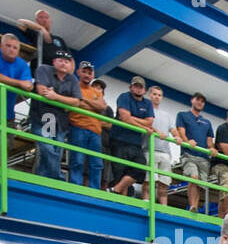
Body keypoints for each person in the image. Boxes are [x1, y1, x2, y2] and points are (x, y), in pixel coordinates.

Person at [30, 49, 81, 181]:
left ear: (70, 64)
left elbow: (76, 102)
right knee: (48, 148)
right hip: (44, 116)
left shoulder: (73, 79)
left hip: (61, 121)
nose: (63, 64)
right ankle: (58, 177)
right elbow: (42, 91)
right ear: (54, 62)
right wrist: (65, 100)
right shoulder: (44, 69)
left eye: (67, 61)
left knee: (56, 151)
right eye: (60, 60)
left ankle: (43, 180)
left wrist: (55, 96)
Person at [107, 76, 154, 196]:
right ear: (131, 87)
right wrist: (143, 126)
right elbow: (124, 118)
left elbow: (149, 121)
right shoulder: (124, 97)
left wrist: (131, 118)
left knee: (140, 169)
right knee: (119, 172)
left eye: (141, 87)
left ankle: (115, 190)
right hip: (119, 140)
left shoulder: (147, 103)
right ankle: (121, 202)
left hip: (135, 143)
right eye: (136, 86)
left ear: (145, 90)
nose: (138, 89)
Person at [67, 60, 108, 189]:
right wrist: (92, 104)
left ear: (93, 75)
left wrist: (83, 100)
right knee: (77, 159)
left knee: (97, 163)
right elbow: (74, 103)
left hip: (95, 131)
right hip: (77, 127)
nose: (87, 75)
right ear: (78, 72)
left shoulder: (97, 92)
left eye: (89, 73)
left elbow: (102, 107)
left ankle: (94, 189)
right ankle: (76, 187)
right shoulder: (73, 87)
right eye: (84, 72)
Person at [173, 92, 215, 213]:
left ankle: (196, 206)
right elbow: (181, 132)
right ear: (192, 100)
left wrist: (211, 149)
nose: (200, 103)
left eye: (202, 101)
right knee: (193, 177)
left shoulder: (207, 122)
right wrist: (188, 142)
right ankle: (193, 206)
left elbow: (209, 142)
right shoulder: (182, 115)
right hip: (189, 154)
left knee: (201, 184)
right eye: (198, 100)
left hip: (203, 158)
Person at [147, 85, 176, 206]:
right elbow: (145, 125)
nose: (157, 97)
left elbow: (173, 130)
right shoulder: (146, 111)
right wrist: (157, 132)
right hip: (149, 149)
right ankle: (146, 205)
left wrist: (178, 137)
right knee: (149, 182)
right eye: (154, 94)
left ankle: (164, 209)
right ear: (149, 95)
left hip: (165, 152)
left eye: (159, 95)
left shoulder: (167, 115)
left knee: (164, 184)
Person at [0, 33, 33, 127]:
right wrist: (18, 83)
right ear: (1, 46)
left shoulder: (22, 65)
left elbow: (28, 86)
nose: (11, 49)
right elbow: (23, 84)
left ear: (18, 50)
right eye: (8, 45)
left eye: (15, 47)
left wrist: (4, 80)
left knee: (7, 141)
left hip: (7, 116)